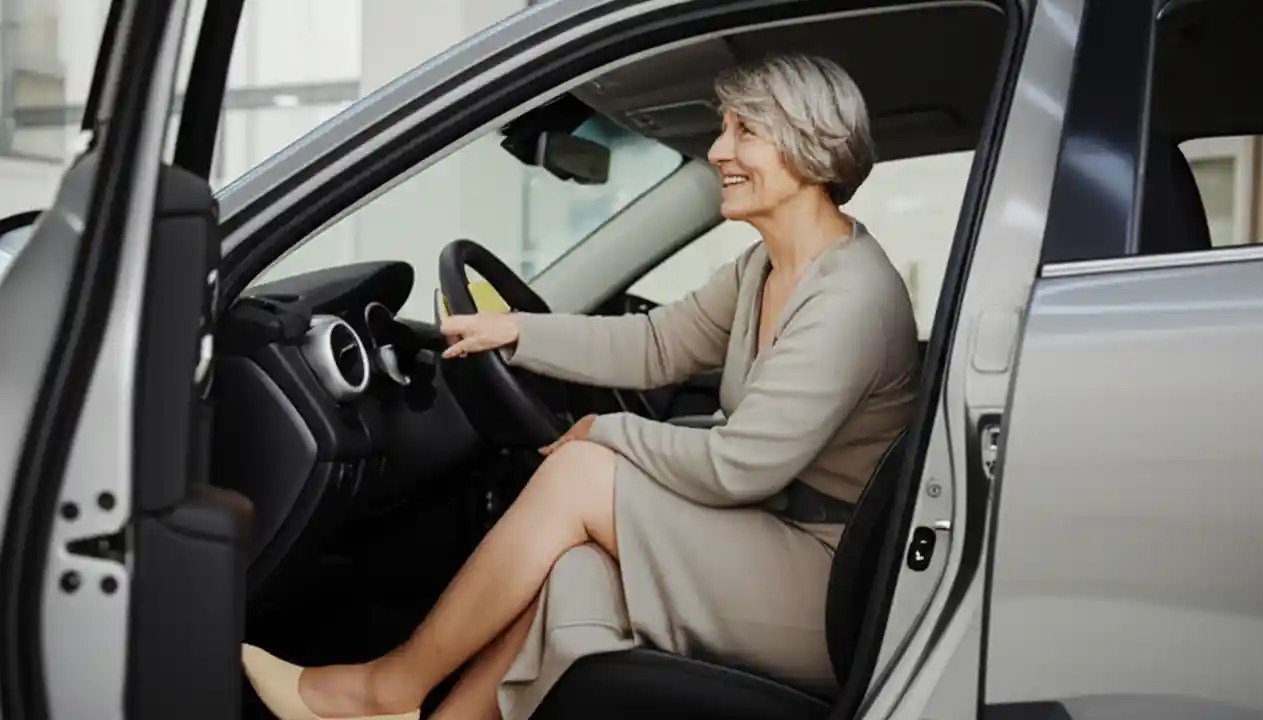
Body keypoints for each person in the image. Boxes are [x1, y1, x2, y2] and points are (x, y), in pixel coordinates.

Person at [241, 52, 919, 720]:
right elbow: (657, 345)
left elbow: (739, 466)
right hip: (778, 539)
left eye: (744, 131)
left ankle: (383, 693)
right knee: (573, 569)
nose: (718, 150)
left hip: (832, 587)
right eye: (724, 129)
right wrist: (518, 332)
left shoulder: (850, 298)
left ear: (809, 143)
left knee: (582, 475)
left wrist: (604, 431)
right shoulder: (763, 269)